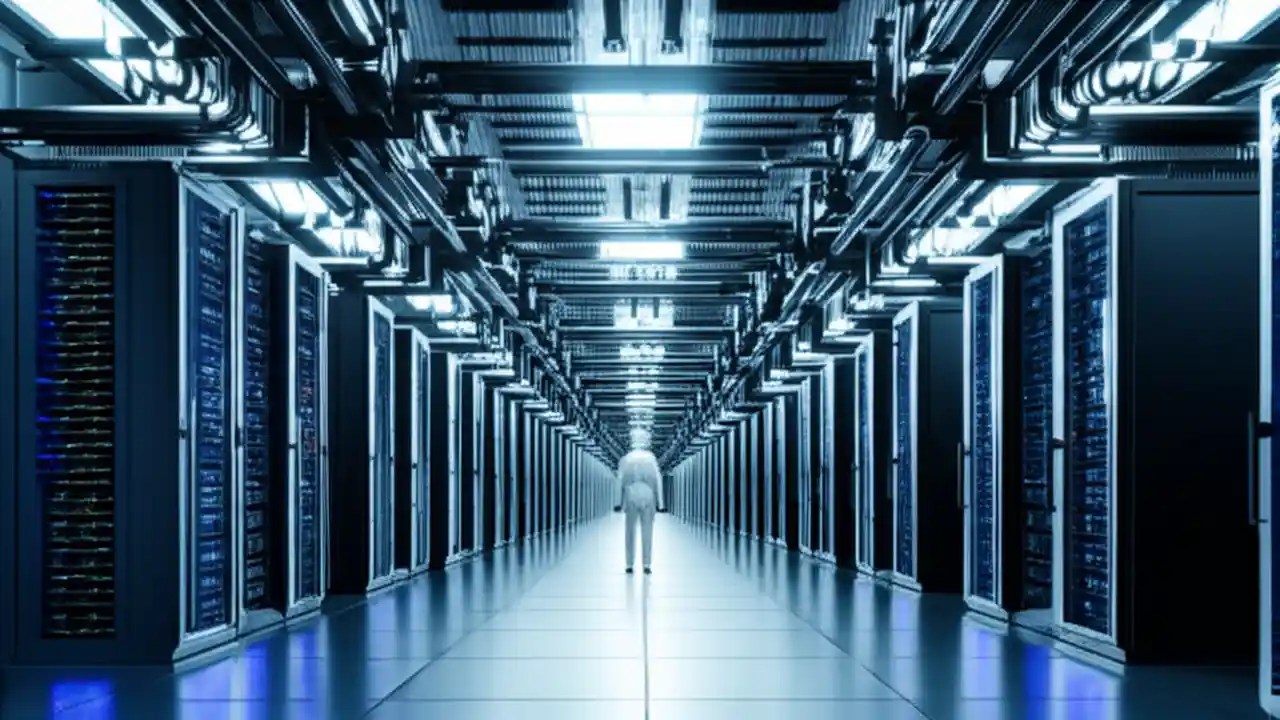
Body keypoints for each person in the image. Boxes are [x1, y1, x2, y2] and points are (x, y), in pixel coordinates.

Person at [614, 428, 663, 574]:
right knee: (647, 530)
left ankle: (629, 564)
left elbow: (620, 480)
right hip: (648, 495)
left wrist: (618, 503)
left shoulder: (626, 458)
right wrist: (661, 503)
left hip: (631, 495)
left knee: (629, 531)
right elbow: (657, 479)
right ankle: (646, 565)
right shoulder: (651, 458)